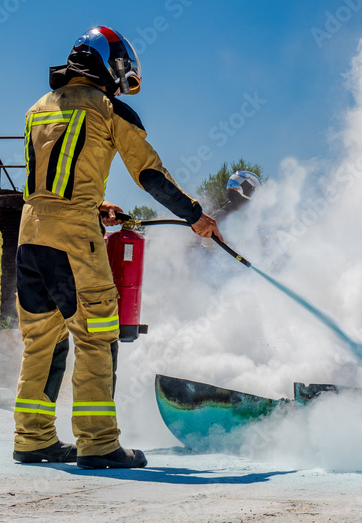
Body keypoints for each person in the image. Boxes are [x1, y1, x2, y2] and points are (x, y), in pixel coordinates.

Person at [12, 26, 222, 469]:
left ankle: (32, 440)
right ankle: (99, 444)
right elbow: (150, 175)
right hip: (74, 241)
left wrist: (97, 204)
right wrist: (194, 216)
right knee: (97, 335)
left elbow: (51, 182)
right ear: (110, 65)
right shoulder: (109, 109)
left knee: (41, 344)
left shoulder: (37, 109)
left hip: (29, 236)